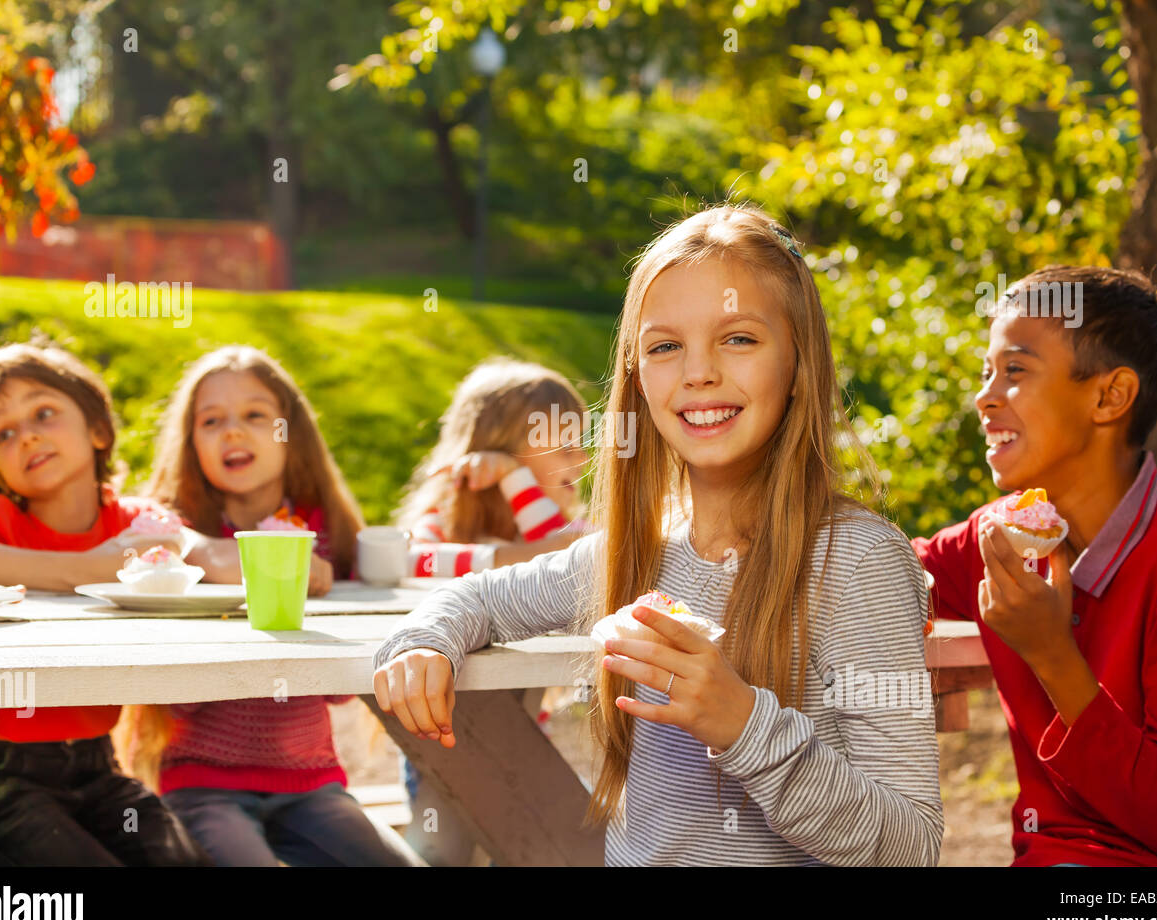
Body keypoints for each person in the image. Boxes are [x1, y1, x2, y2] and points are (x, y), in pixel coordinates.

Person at [373, 203, 942, 865]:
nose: (698, 371)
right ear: (638, 381)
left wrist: (743, 725)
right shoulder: (637, 553)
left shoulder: (857, 561)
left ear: (800, 365)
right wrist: (424, 643)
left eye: (739, 338)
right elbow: (479, 598)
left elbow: (910, 845)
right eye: (666, 345)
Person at [913, 265, 1157, 865]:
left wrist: (1051, 655)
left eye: (1015, 371)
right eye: (986, 372)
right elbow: (883, 575)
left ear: (1109, 397)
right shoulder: (1001, 535)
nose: (984, 395)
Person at [128, 345, 420, 866]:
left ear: (292, 434)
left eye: (255, 416)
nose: (233, 432)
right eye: (211, 421)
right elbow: (174, 692)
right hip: (202, 781)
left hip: (309, 782)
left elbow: (337, 693)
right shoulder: (170, 539)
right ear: (191, 443)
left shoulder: (321, 534)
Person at [0, 342, 208, 865]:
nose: (27, 434)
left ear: (98, 430)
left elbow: (177, 545)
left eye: (43, 413)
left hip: (96, 766)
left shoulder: (130, 518)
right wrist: (82, 568)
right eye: (3, 432)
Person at [390, 357, 590, 864]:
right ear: (497, 445)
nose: (581, 458)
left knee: (538, 847)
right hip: (436, 745)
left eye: (581, 442)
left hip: (524, 737)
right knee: (444, 851)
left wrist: (516, 483)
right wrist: (505, 555)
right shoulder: (442, 520)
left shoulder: (563, 528)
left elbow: (564, 553)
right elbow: (416, 560)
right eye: (564, 445)